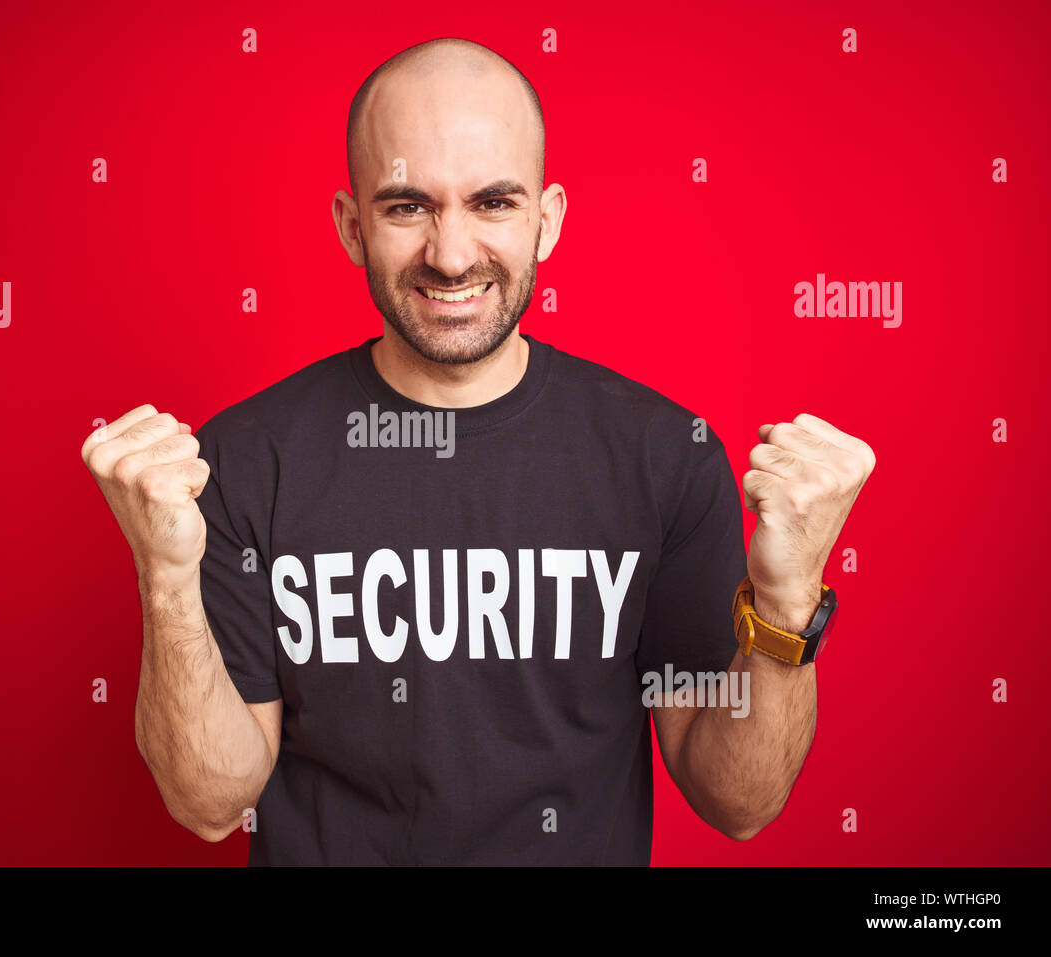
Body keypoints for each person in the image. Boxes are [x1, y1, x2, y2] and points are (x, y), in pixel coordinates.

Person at [80, 37, 875, 865]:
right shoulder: (244, 460)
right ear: (353, 227)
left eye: (493, 202)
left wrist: (787, 603)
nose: (451, 255)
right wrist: (164, 579)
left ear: (549, 219)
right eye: (406, 206)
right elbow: (212, 804)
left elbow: (736, 803)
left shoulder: (663, 458)